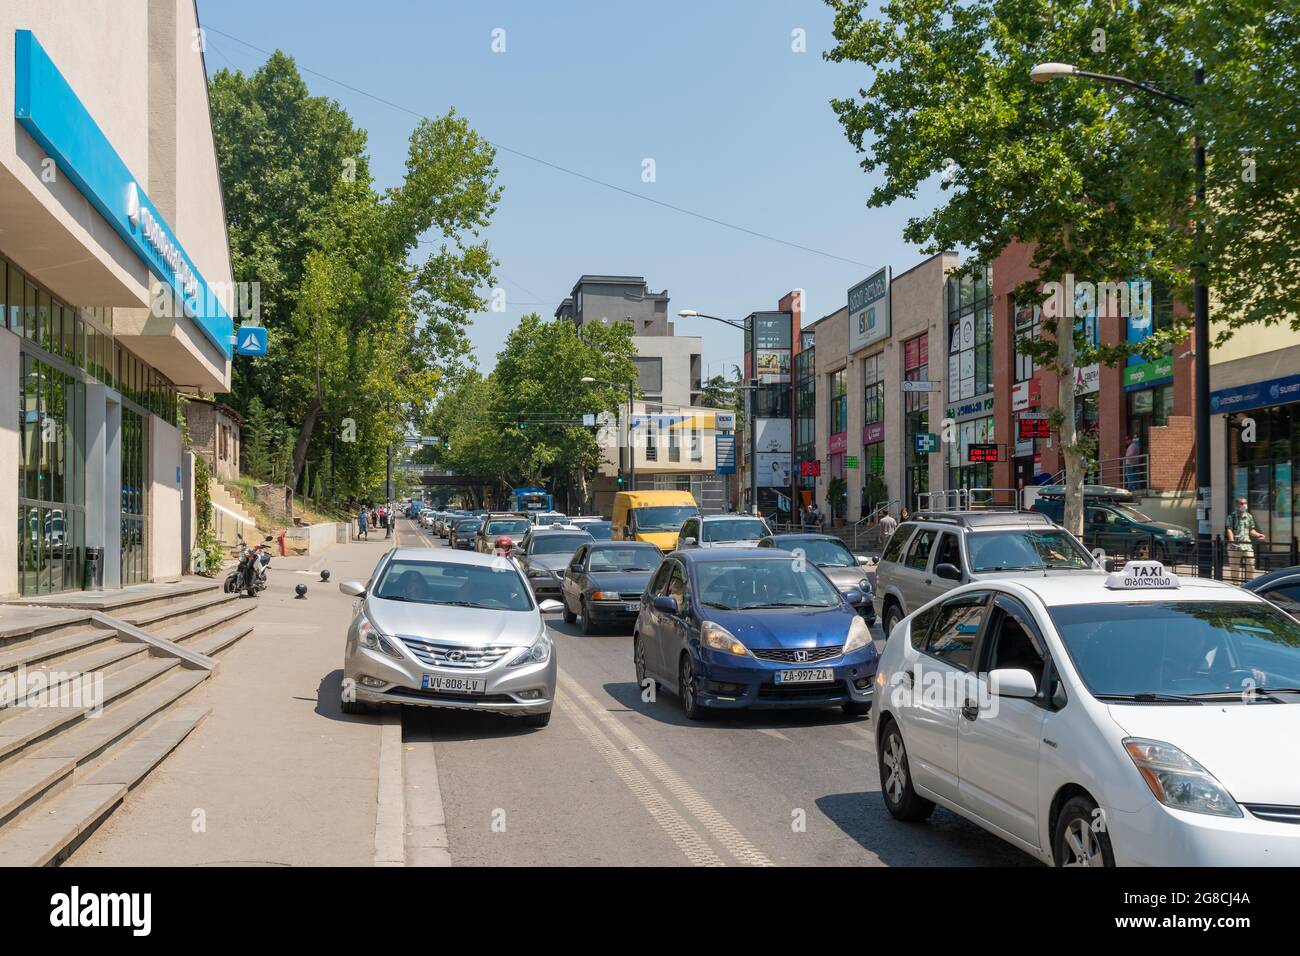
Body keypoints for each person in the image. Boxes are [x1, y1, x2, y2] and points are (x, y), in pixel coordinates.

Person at [1226, 496, 1265, 581]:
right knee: (1234, 567)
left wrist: (1258, 535)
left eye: (1245, 503)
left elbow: (1251, 530)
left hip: (1247, 544)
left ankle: (1248, 583)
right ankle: (1236, 585)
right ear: (1237, 505)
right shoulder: (1231, 516)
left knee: (1251, 564)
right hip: (1235, 545)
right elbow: (1229, 530)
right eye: (1242, 503)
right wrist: (1232, 542)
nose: (1244, 505)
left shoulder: (1249, 516)